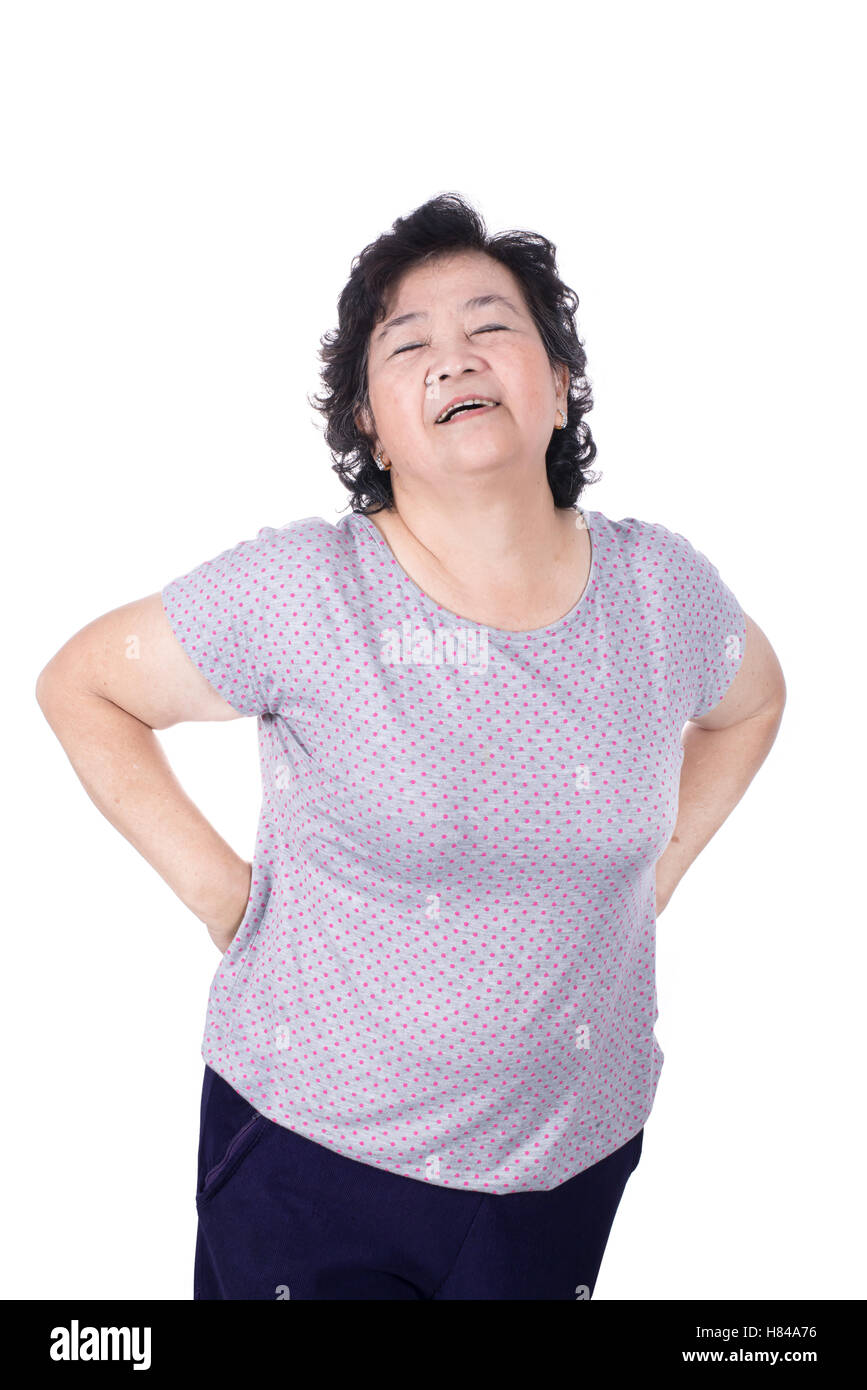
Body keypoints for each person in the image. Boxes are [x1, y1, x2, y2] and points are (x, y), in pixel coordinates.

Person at [35, 192, 786, 1301]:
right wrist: (226, 899)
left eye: (493, 324)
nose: (456, 355)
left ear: (560, 380)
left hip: (570, 1161)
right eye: (409, 342)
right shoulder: (304, 591)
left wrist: (652, 871)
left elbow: (753, 705)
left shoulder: (661, 593)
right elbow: (83, 683)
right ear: (370, 425)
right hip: (316, 1154)